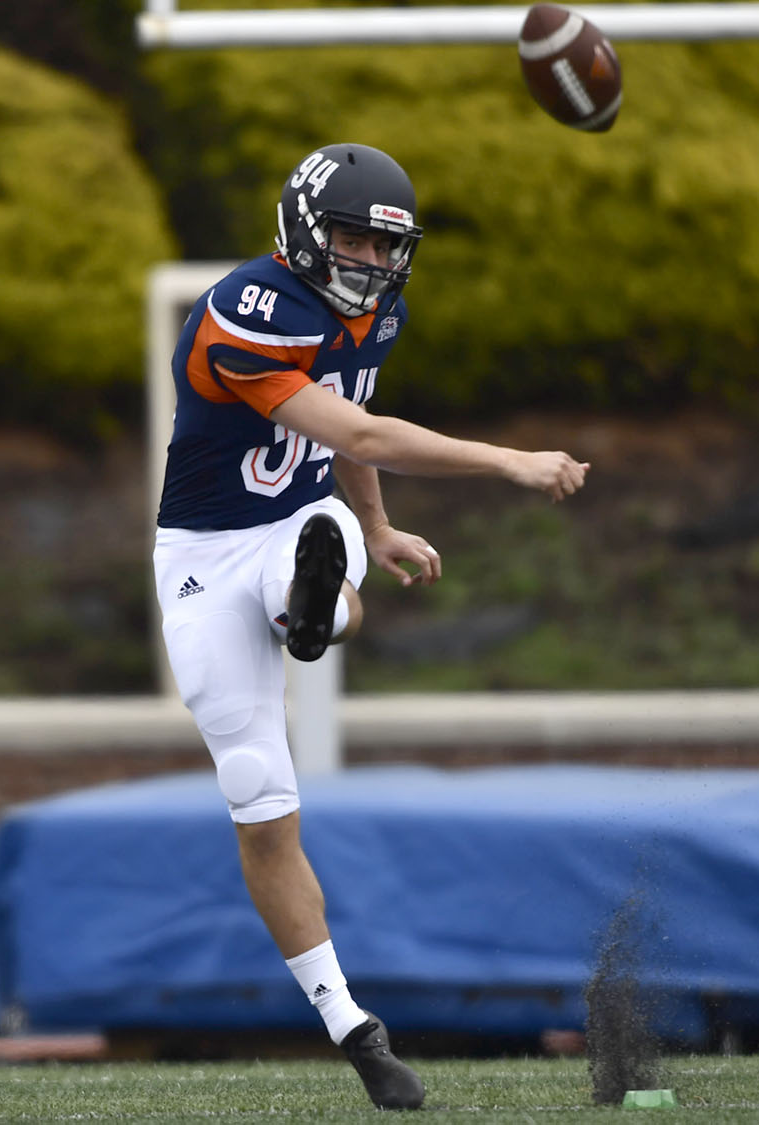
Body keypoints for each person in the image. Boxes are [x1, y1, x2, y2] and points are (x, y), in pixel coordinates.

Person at [153, 142, 590, 1111]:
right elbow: (352, 431)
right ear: (304, 229)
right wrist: (507, 461)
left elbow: (348, 423)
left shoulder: (372, 310)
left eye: (384, 243)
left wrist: (380, 524)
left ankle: (314, 609)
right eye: (350, 235)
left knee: (321, 544)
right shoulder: (248, 310)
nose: (368, 259)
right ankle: (347, 1019)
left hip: (291, 523)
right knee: (259, 796)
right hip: (198, 556)